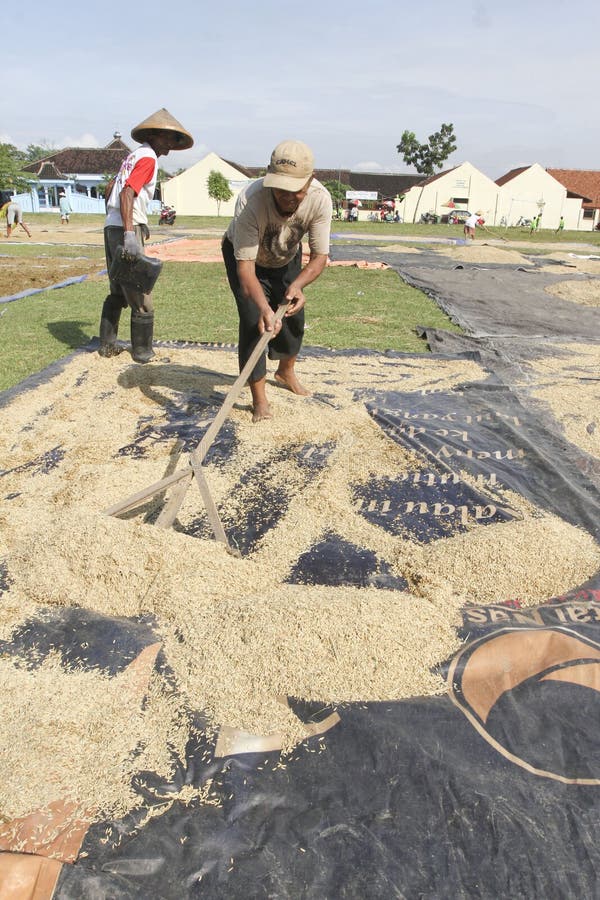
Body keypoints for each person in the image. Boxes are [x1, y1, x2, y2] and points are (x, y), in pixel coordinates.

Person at [222, 139, 332, 422]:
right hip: (248, 260)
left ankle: (285, 371)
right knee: (254, 324)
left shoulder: (320, 200)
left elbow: (320, 257)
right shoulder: (250, 201)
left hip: (285, 254)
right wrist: (263, 307)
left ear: (310, 181)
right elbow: (245, 270)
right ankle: (259, 399)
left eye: (295, 191)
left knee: (294, 316)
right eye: (280, 189)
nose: (287, 196)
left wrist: (297, 286)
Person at [98, 107, 193, 363]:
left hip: (112, 226)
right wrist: (130, 231)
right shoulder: (148, 158)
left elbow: (111, 187)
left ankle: (107, 346)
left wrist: (124, 219)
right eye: (169, 140)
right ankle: (142, 351)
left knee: (117, 288)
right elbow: (127, 192)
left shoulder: (133, 156)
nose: (171, 147)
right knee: (140, 294)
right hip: (124, 229)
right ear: (156, 135)